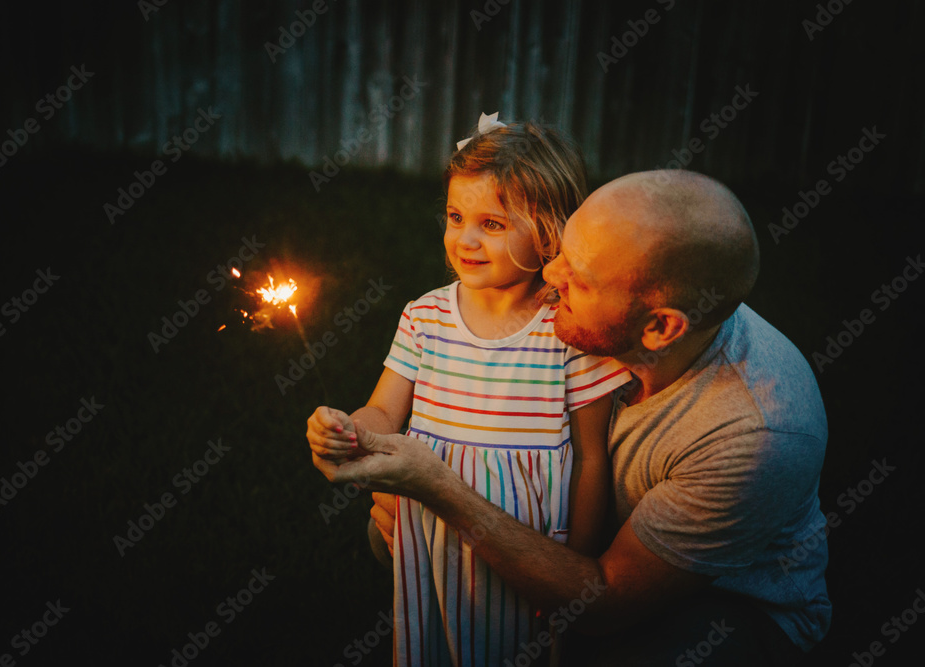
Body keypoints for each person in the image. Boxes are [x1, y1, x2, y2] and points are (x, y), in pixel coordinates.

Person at [312, 169, 830, 666]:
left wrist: (439, 490)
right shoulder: (595, 315)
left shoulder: (755, 433)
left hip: (715, 601)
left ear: (659, 329)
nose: (550, 275)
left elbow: (600, 605)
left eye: (578, 278)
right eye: (563, 250)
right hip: (575, 541)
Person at [306, 114, 631, 666]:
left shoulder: (568, 330)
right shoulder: (426, 316)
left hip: (524, 539)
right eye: (456, 217)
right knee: (435, 637)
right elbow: (387, 407)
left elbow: (592, 456)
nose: (465, 239)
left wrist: (574, 560)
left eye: (493, 225)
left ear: (550, 231)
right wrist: (353, 430)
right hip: (433, 524)